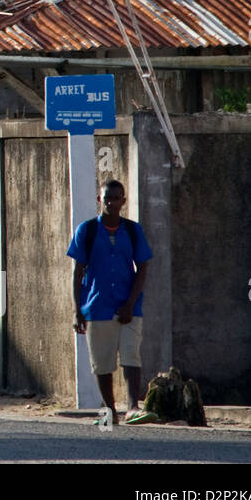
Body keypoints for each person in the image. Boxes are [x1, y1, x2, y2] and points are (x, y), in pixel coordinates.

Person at [68, 179, 153, 426]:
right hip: (97, 306)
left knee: (131, 356)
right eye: (107, 198)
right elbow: (77, 272)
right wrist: (76, 310)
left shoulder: (133, 230)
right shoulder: (87, 231)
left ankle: (133, 407)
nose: (111, 203)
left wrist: (130, 302)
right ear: (99, 200)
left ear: (123, 201)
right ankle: (109, 410)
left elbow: (143, 266)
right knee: (102, 361)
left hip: (129, 305)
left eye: (116, 198)